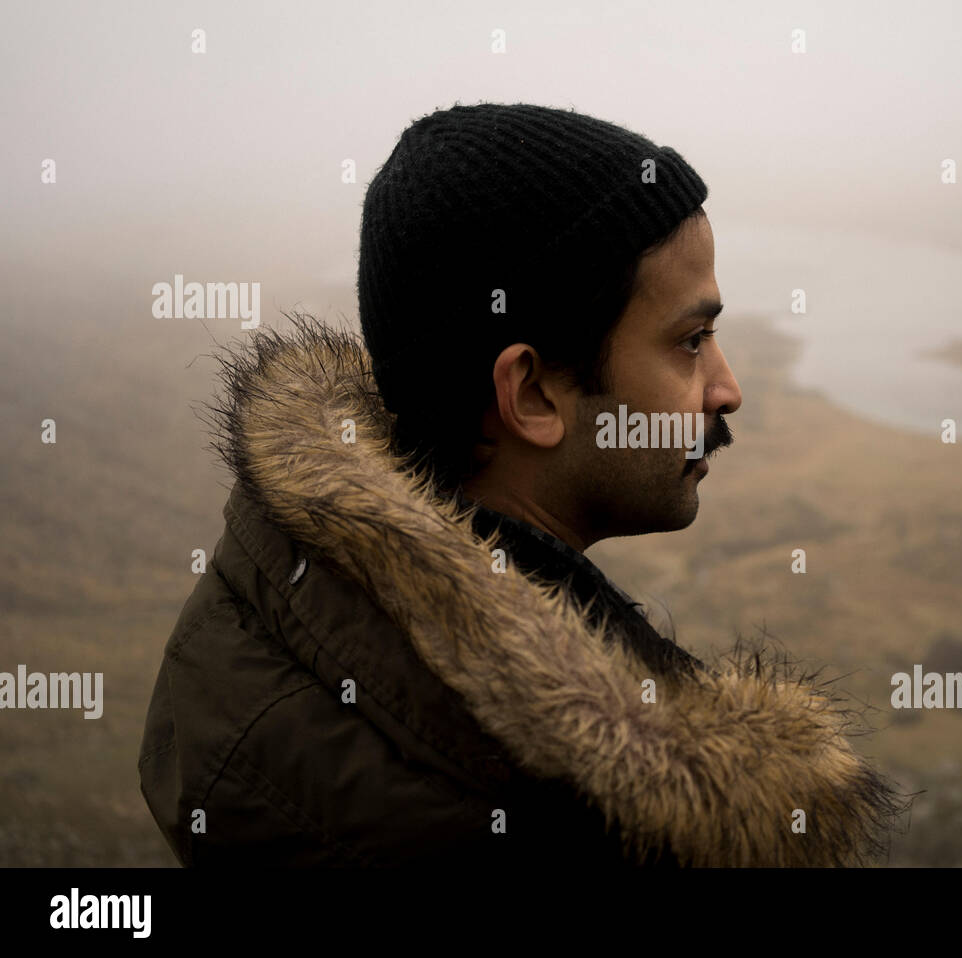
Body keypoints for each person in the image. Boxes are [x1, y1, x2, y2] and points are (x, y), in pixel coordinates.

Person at [138, 102, 906, 867]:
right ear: (532, 395)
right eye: (691, 341)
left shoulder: (284, 616)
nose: (727, 387)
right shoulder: (571, 830)